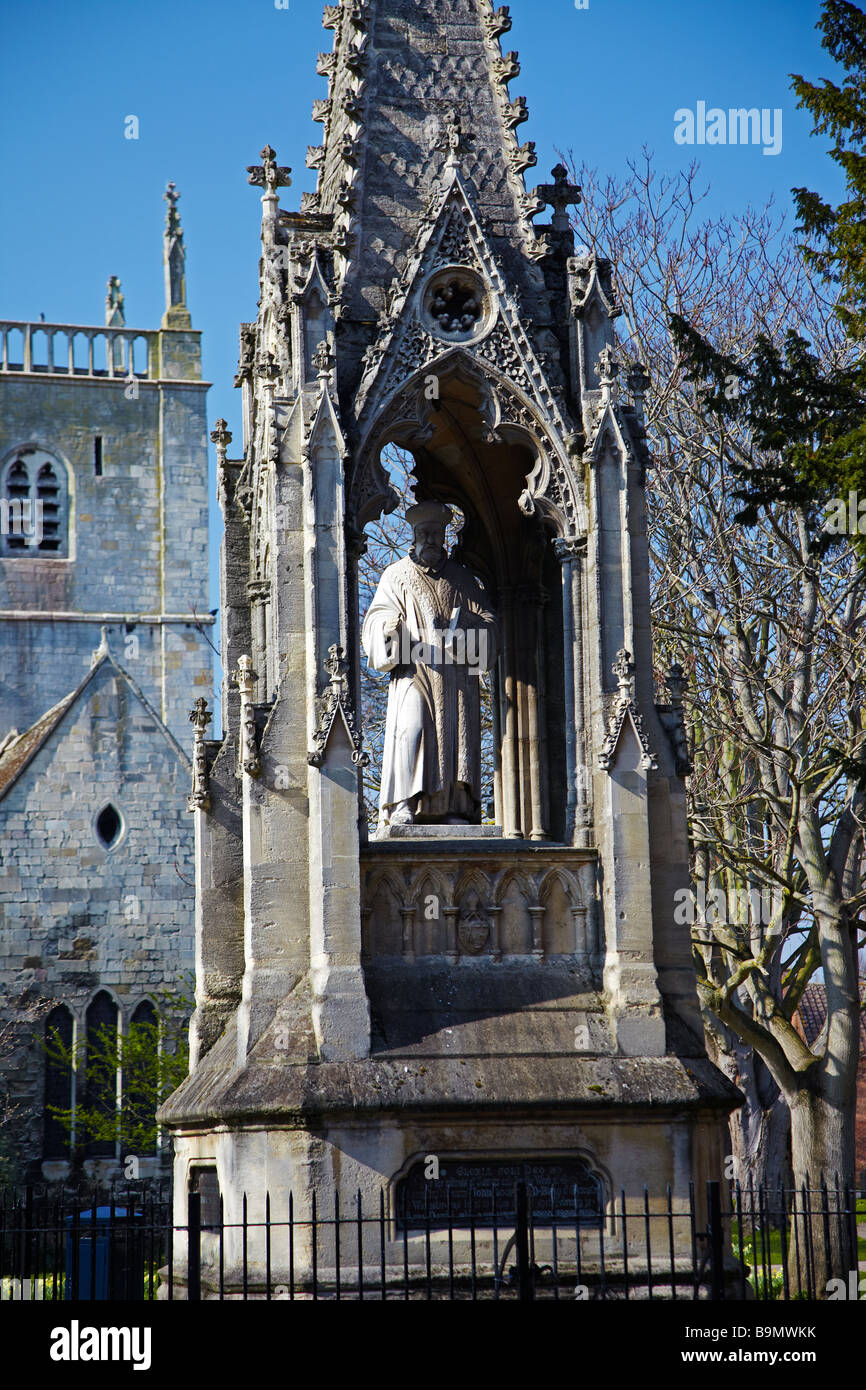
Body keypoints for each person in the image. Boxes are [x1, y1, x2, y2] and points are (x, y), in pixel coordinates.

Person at [361, 501, 497, 832]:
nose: (432, 540)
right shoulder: (396, 575)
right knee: (413, 727)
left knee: (453, 738)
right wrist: (390, 625)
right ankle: (404, 803)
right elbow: (375, 618)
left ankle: (454, 808)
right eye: (425, 534)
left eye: (437, 534)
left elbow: (489, 622)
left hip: (454, 675)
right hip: (414, 669)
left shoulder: (463, 580)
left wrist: (466, 623)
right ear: (414, 536)